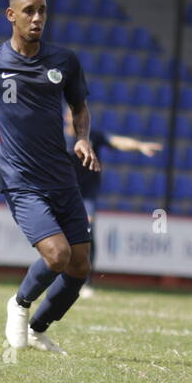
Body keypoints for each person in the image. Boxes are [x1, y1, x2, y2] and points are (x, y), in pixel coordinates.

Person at [0, 0, 98, 355]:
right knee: (57, 255)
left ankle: (37, 329)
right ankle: (18, 304)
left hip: (62, 176)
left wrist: (83, 138)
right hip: (20, 179)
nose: (37, 18)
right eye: (29, 11)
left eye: (42, 11)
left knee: (80, 266)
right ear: (11, 15)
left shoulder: (63, 61)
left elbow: (79, 107)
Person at [67, 127, 161, 297]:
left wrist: (139, 146)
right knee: (61, 238)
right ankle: (60, 277)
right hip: (64, 193)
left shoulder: (92, 136)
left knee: (87, 232)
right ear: (66, 119)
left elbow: (116, 141)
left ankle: (85, 281)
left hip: (86, 195)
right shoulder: (58, 136)